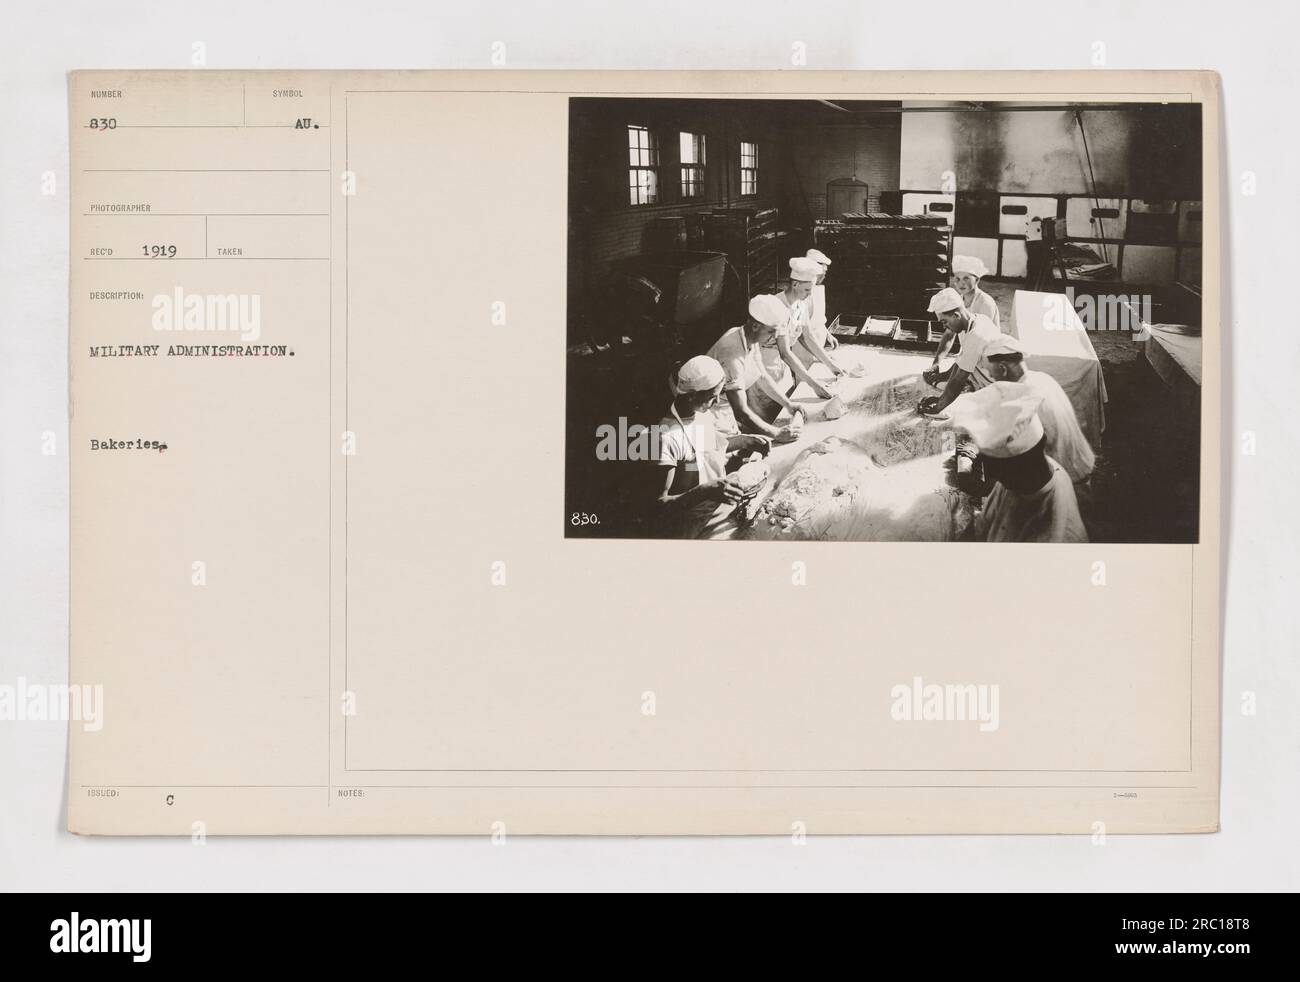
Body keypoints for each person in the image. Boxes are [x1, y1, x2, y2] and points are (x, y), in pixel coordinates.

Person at [947, 382, 1088, 543]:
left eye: (984, 459)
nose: (978, 461)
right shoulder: (1028, 473)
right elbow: (983, 525)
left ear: (998, 470)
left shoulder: (1055, 537)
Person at [651, 355, 773, 539]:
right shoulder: (665, 438)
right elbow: (660, 504)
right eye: (712, 397)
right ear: (692, 395)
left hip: (714, 505)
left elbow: (710, 448)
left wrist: (747, 440)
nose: (716, 402)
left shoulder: (700, 412)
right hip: (688, 523)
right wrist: (704, 491)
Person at [982, 334, 1095, 483]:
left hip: (1066, 476)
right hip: (1080, 461)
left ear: (1003, 368)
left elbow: (1019, 447)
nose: (992, 378)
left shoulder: (1024, 395)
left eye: (991, 373)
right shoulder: (1042, 378)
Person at [707, 294, 807, 442]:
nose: (774, 337)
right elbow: (741, 411)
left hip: (725, 412)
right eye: (771, 331)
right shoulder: (732, 352)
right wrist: (777, 433)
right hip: (711, 417)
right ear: (755, 326)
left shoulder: (750, 340)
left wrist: (788, 404)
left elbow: (763, 376)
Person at [762, 257, 836, 401]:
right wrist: (814, 385)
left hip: (782, 369)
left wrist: (832, 366)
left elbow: (807, 336)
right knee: (766, 411)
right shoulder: (777, 305)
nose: (810, 294)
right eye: (807, 290)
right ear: (795, 284)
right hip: (764, 369)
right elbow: (785, 353)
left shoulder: (800, 305)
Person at [918, 287, 1000, 415]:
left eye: (944, 322)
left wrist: (938, 408)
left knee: (953, 398)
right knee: (942, 384)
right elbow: (962, 359)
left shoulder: (977, 335)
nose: (944, 326)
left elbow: (959, 380)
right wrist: (944, 375)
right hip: (983, 372)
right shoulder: (975, 321)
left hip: (994, 387)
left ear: (956, 315)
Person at [928, 255, 999, 372]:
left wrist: (950, 372)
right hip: (969, 355)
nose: (961, 283)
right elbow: (949, 335)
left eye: (966, 278)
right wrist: (936, 364)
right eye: (957, 278)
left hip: (987, 359)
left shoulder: (985, 303)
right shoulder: (957, 300)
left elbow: (979, 344)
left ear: (977, 280)